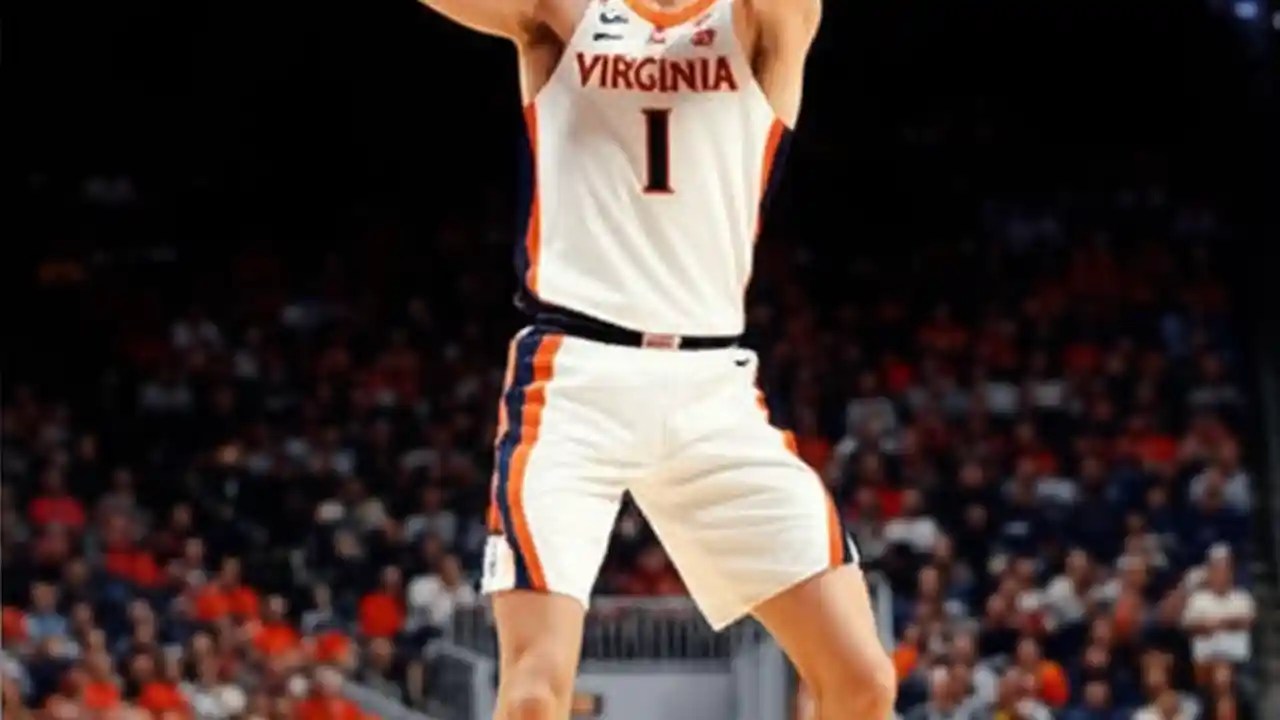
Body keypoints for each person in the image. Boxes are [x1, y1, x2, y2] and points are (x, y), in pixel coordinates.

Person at [413, 0, 896, 718]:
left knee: (863, 682)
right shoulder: (563, 13)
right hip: (573, 376)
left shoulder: (765, 21)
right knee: (535, 694)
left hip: (713, 388)